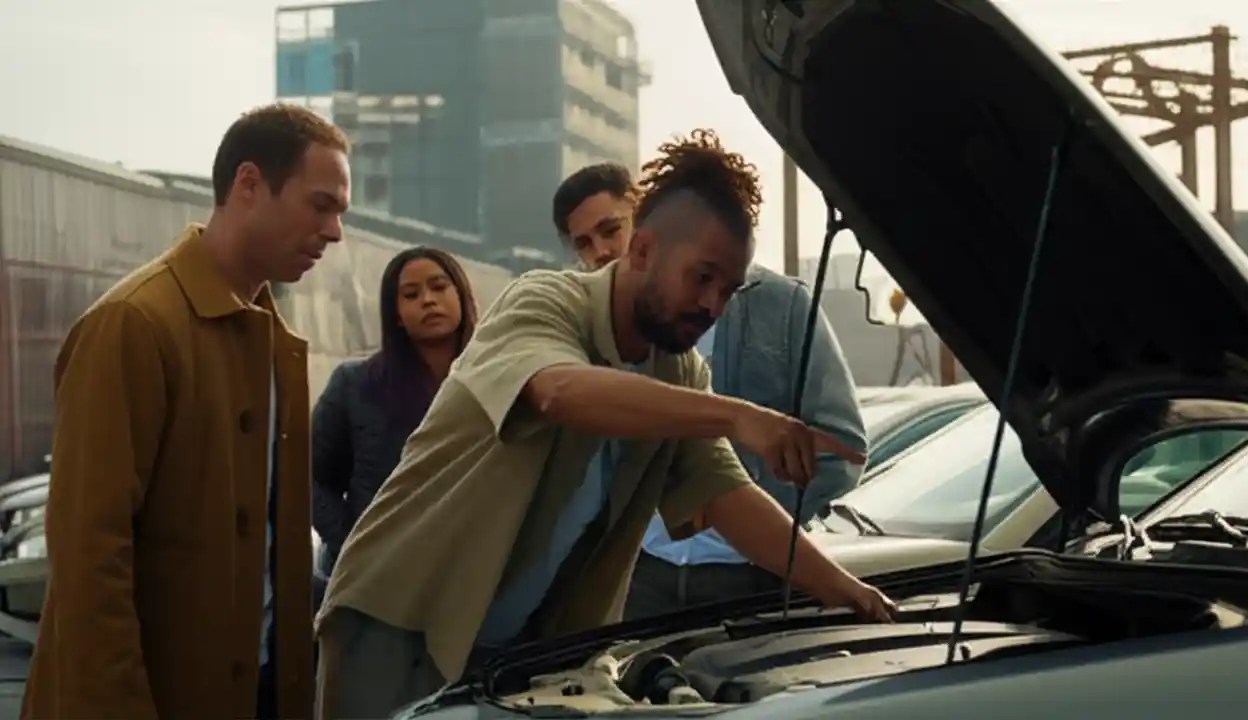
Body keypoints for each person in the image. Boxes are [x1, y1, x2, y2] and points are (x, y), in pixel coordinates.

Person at [314, 128, 894, 719]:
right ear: (642, 252)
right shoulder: (542, 301)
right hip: (405, 620)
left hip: (527, 649)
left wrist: (850, 593)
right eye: (701, 277)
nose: (714, 305)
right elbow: (558, 391)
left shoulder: (680, 371)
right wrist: (741, 416)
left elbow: (726, 495)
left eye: (728, 289)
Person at [22, 103, 350, 720]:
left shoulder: (270, 339)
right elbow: (89, 557)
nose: (334, 232)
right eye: (321, 205)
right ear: (248, 184)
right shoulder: (136, 324)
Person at [553, 162, 866, 619]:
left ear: (646, 222)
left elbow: (841, 448)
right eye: (584, 243)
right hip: (641, 572)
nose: (601, 251)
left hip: (748, 573)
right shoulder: (583, 321)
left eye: (610, 230)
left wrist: (754, 522)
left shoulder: (781, 304)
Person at [311, 247, 478, 602]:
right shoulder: (356, 384)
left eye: (439, 287)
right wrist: (355, 540)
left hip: (472, 575)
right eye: (411, 295)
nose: (428, 301)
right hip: (375, 581)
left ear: (461, 295)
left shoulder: (493, 380)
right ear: (397, 314)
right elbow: (308, 478)